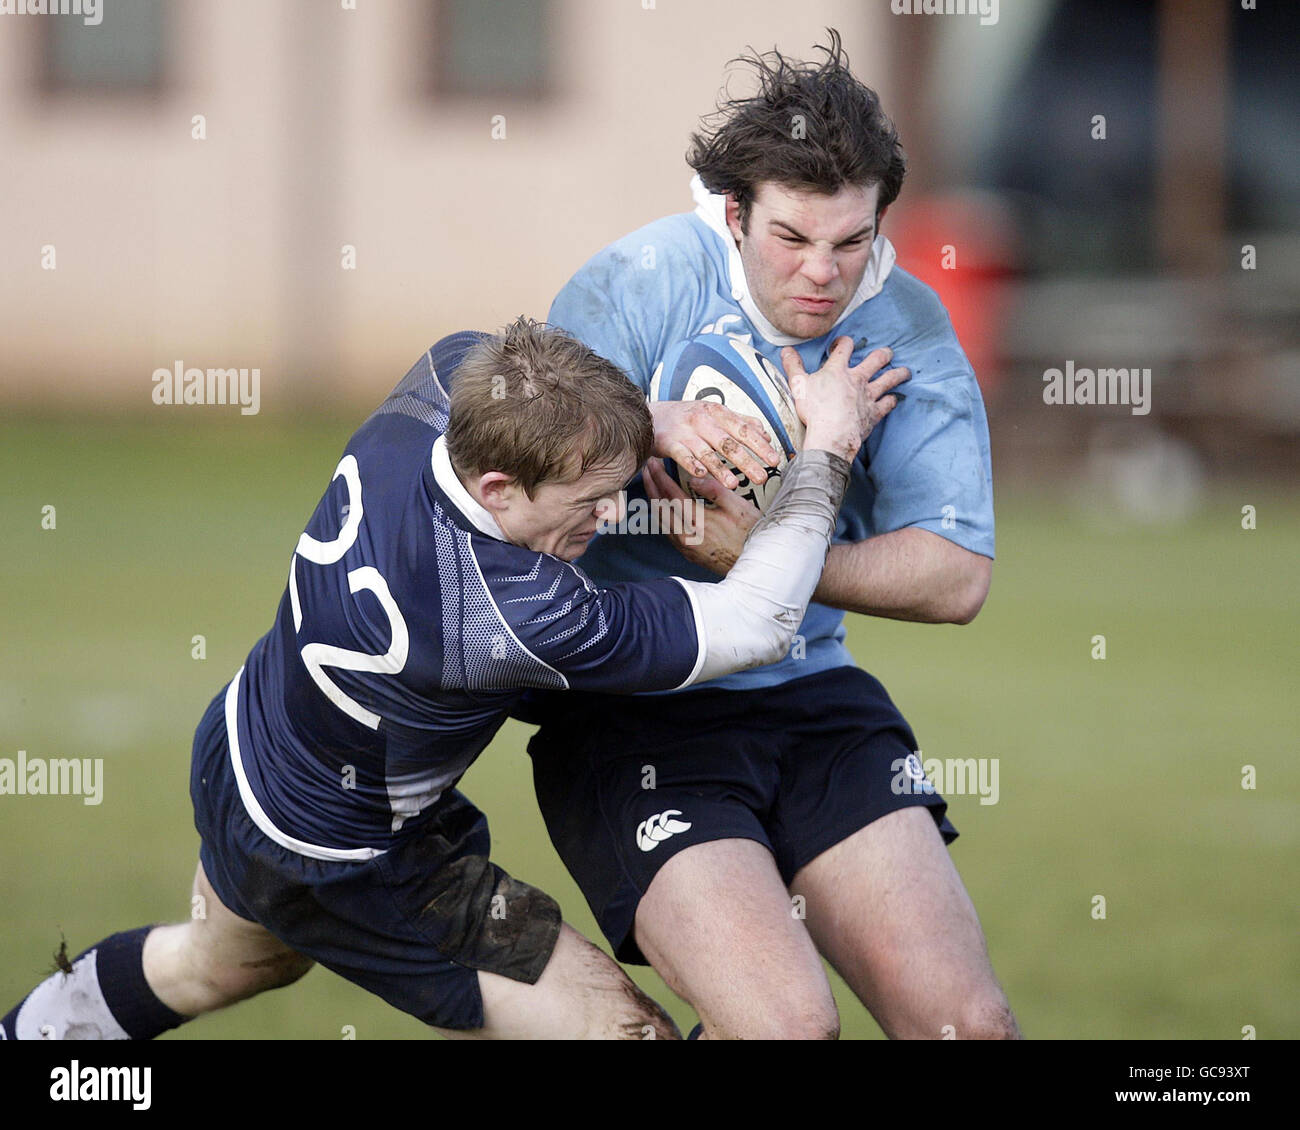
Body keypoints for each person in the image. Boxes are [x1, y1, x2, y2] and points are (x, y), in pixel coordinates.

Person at [1, 316, 903, 1041]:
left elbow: (512, 362)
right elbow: (759, 622)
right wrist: (826, 444)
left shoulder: (447, 381)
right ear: (503, 487)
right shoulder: (509, 610)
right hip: (353, 863)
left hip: (247, 752)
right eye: (587, 503)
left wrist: (644, 421)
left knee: (216, 963)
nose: (612, 517)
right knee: (623, 1034)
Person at [526, 31, 1021, 1039]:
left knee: (963, 1022)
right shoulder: (643, 281)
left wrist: (773, 556)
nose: (822, 273)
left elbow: (956, 576)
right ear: (736, 211)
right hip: (636, 704)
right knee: (786, 1024)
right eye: (791, 238)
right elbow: (520, 495)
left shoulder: (907, 330)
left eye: (851, 241)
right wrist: (642, 424)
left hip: (809, 699)